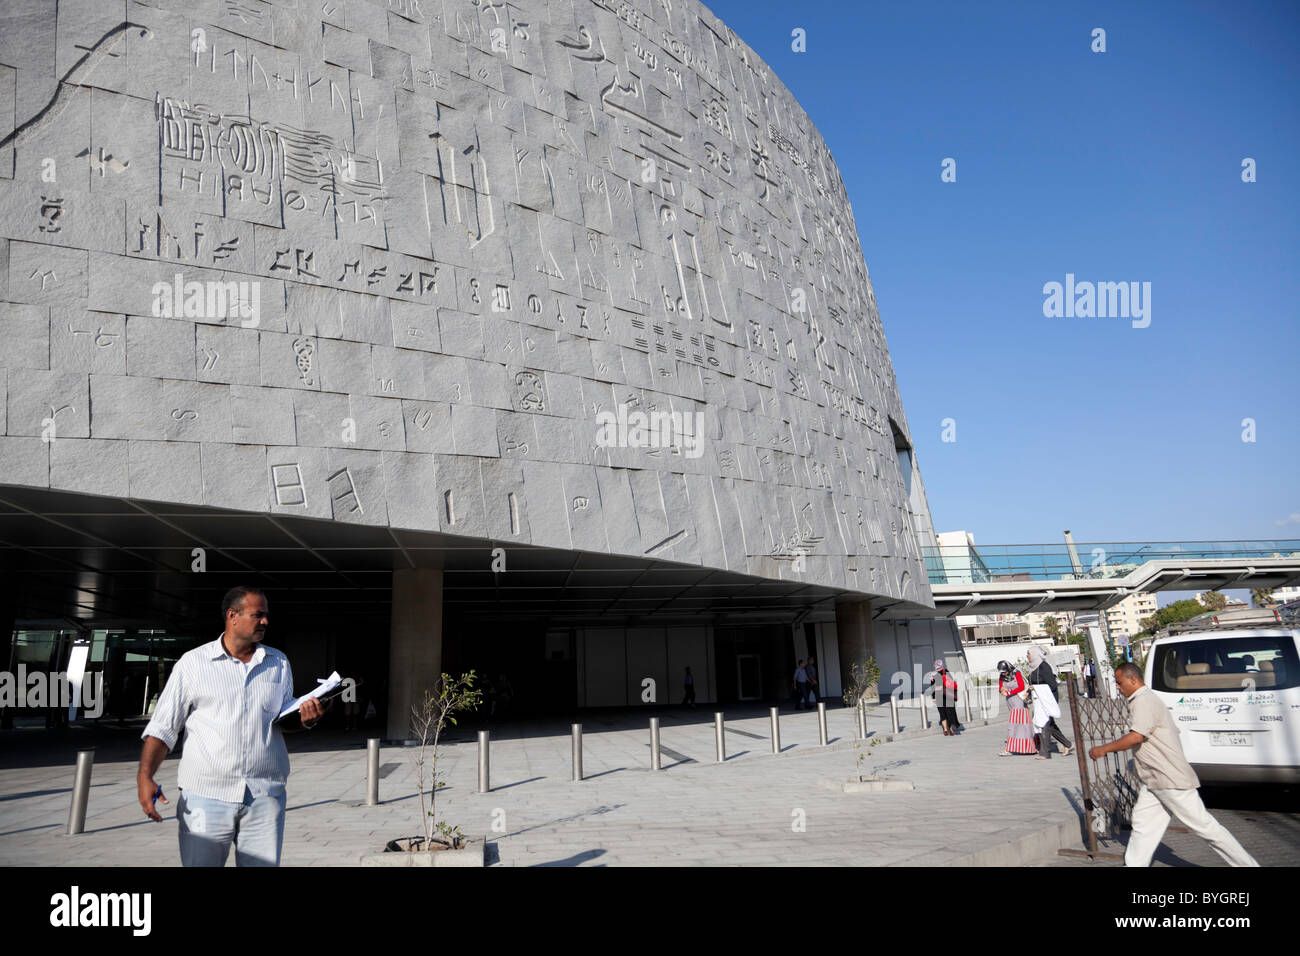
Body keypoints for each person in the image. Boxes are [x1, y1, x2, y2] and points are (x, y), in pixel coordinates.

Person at [136, 586, 324, 867]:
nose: (265, 621)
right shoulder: (193, 664)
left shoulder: (278, 663)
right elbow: (164, 727)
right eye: (257, 615)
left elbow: (281, 722)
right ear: (232, 616)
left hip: (265, 797)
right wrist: (145, 775)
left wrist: (307, 719)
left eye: (266, 615)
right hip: (205, 798)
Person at [1088, 663, 1258, 867]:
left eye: (1119, 682)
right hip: (1155, 780)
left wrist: (1104, 749)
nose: (1117, 686)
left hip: (1170, 779)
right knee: (1144, 825)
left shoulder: (1144, 701)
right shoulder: (1141, 700)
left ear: (1133, 679)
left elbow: (1136, 737)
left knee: (1206, 828)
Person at [1026, 646, 1072, 759]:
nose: (1027, 656)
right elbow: (1032, 684)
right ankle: (1067, 744)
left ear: (1035, 654)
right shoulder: (1032, 668)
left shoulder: (1044, 667)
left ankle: (1045, 753)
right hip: (1039, 699)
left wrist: (1036, 689)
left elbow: (1052, 685)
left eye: (1029, 654)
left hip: (1047, 699)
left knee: (1045, 724)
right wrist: (1028, 692)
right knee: (1049, 724)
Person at [996, 661, 1035, 755]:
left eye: (1005, 671)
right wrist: (1002, 690)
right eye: (1002, 672)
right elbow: (1000, 688)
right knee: (1020, 724)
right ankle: (1023, 748)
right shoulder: (1002, 676)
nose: (1004, 673)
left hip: (1019, 701)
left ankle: (1011, 748)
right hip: (1010, 702)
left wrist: (1009, 692)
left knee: (1015, 724)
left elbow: (1021, 686)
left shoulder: (1016, 673)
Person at [929, 659, 960, 735]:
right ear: (942, 665)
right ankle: (951, 729)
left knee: (942, 713)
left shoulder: (933, 675)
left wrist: (933, 697)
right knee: (949, 712)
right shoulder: (945, 671)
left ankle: (945, 730)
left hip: (939, 696)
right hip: (948, 694)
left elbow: (932, 687)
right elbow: (952, 682)